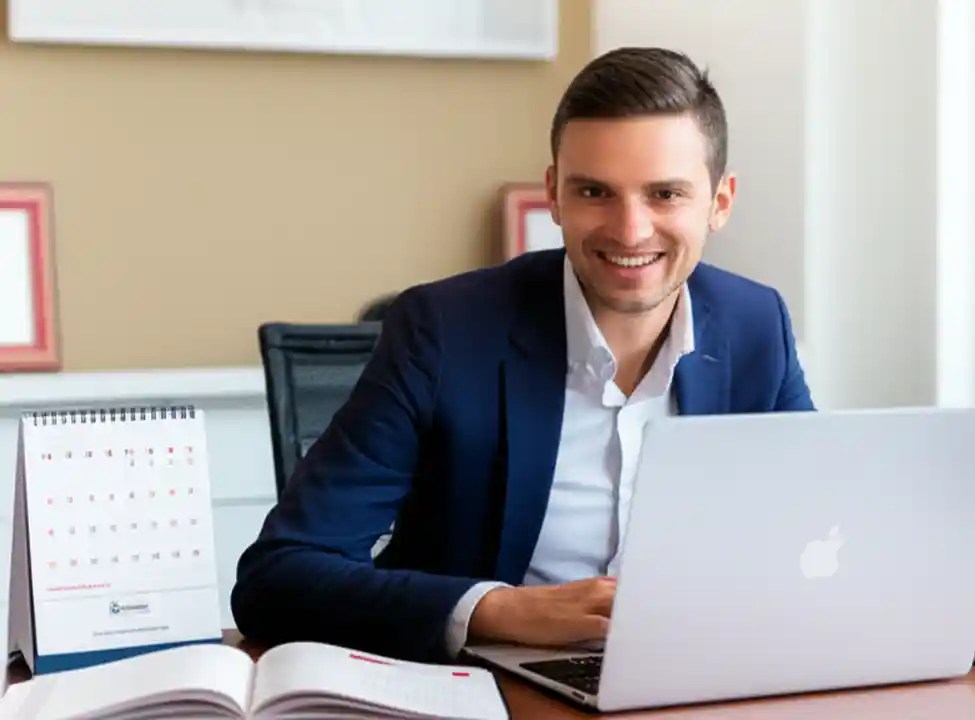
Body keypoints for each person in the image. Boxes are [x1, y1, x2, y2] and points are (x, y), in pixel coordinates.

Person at [231, 46, 814, 663]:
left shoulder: (756, 326)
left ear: (720, 202)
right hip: (492, 689)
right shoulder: (444, 331)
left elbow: (822, 534)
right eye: (595, 191)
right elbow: (279, 576)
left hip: (693, 677)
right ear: (554, 195)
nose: (630, 230)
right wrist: (498, 610)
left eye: (665, 194)